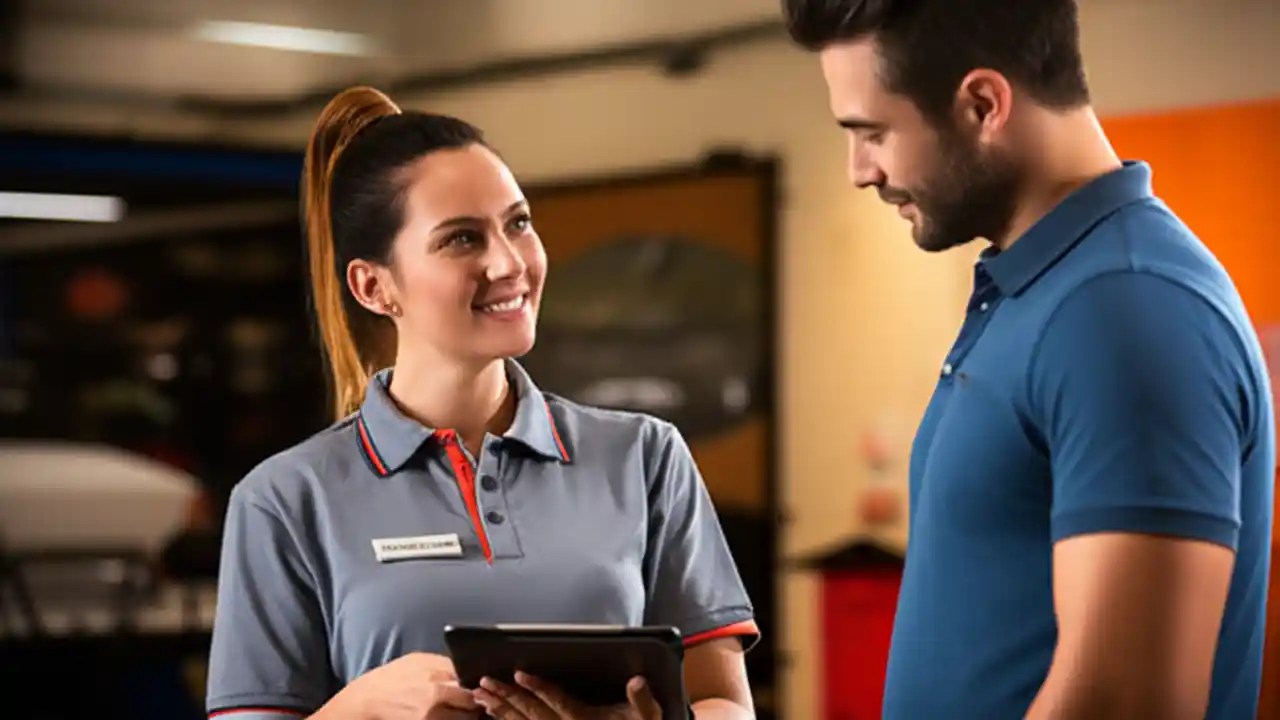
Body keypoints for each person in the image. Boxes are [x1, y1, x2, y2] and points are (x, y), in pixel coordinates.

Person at [781, 1, 1276, 718]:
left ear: (983, 103)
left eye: (873, 133)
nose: (861, 171)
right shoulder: (1044, 290)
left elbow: (1124, 704)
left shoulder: (1126, 308)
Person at [205, 86, 759, 720]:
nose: (509, 262)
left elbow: (724, 704)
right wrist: (359, 708)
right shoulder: (283, 499)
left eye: (518, 223)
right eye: (462, 239)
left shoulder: (645, 457)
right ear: (375, 286)